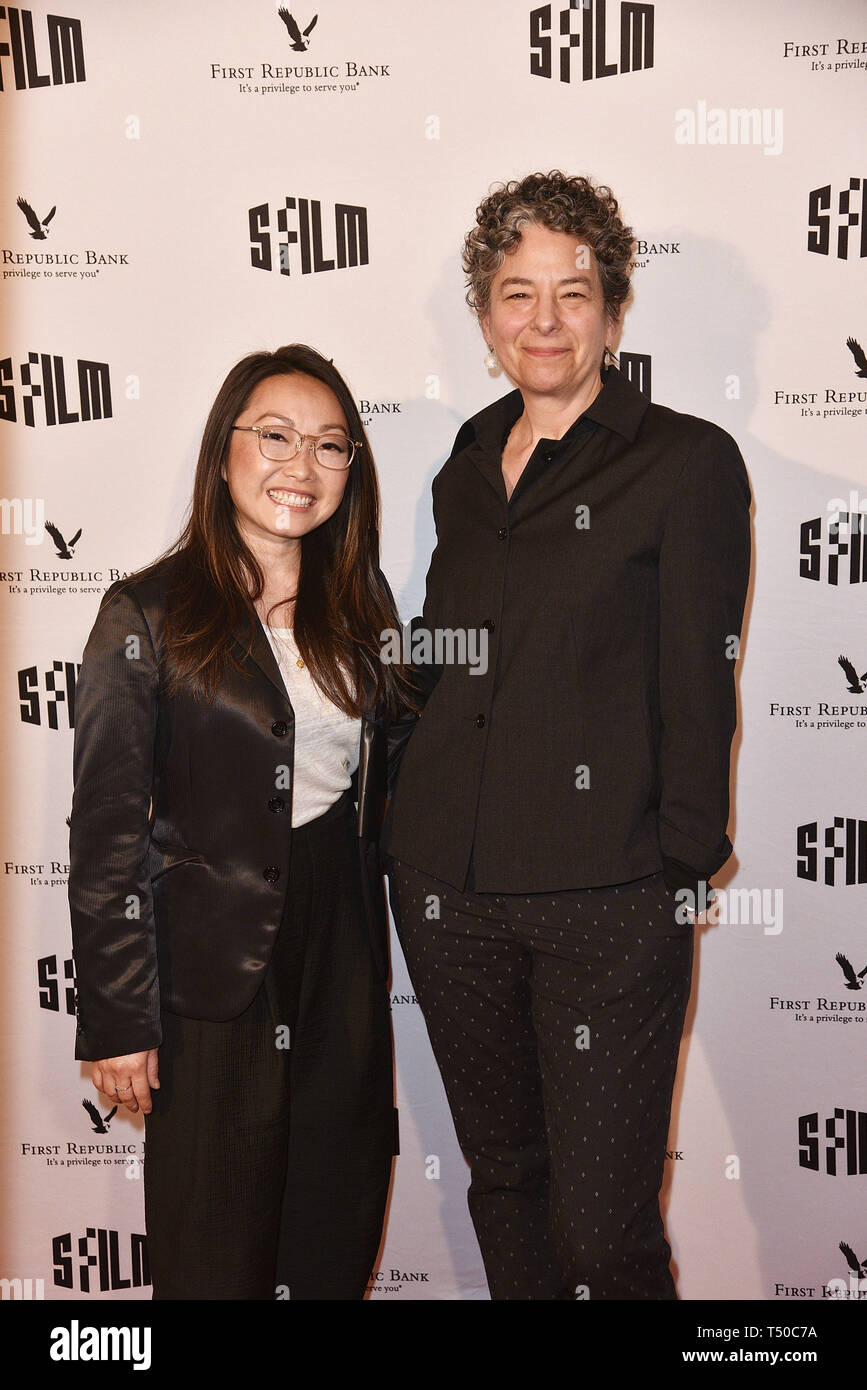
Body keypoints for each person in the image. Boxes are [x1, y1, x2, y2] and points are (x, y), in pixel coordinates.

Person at [383, 171, 752, 1300]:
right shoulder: (462, 462)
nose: (544, 321)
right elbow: (451, 646)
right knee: (507, 1182)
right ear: (486, 314)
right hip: (449, 889)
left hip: (610, 899)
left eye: (573, 292)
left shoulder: (685, 462)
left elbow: (701, 681)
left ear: (614, 308)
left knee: (605, 1239)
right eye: (516, 293)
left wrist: (673, 870)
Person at [69, 344, 411, 1300]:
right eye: (275, 437)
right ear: (224, 452)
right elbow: (103, 833)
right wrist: (115, 1017)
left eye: (329, 445)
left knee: (330, 1237)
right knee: (213, 1252)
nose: (300, 467)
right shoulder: (146, 611)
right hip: (207, 972)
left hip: (338, 952)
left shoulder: (362, 606)